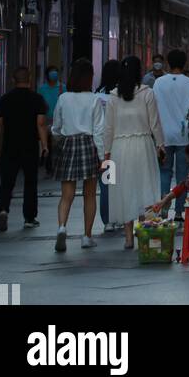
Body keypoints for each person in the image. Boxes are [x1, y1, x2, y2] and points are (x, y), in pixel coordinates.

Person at [103, 54, 166, 249]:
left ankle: (128, 237)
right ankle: (144, 232)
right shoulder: (147, 93)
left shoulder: (113, 96)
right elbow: (154, 123)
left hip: (119, 149)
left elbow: (108, 128)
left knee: (124, 190)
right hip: (143, 146)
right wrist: (160, 145)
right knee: (145, 187)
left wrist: (106, 153)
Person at [51, 57, 104, 252]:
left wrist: (60, 141)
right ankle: (87, 236)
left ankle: (61, 227)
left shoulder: (63, 98)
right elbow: (99, 131)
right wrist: (102, 157)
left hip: (68, 145)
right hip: (88, 145)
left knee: (67, 195)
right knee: (89, 195)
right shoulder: (94, 99)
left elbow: (56, 128)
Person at [0, 65, 49, 232]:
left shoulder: (5, 99)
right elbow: (41, 124)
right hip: (30, 147)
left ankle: (3, 210)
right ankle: (29, 218)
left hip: (9, 146)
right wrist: (44, 145)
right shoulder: (37, 99)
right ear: (30, 79)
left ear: (13, 80)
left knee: (6, 182)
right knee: (30, 182)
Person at [153, 48, 189, 222]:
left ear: (168, 62)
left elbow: (153, 107)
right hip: (183, 134)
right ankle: (178, 212)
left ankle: (162, 210)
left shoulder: (159, 82)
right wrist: (188, 117)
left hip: (163, 135)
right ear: (184, 64)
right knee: (183, 174)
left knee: (164, 172)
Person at [95, 60, 120, 232]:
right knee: (120, 184)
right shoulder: (120, 96)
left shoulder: (97, 95)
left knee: (106, 184)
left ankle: (108, 221)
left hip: (104, 147)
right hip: (120, 144)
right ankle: (119, 217)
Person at [40, 66, 64, 175]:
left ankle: (57, 165)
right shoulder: (42, 89)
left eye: (55, 73)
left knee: (57, 143)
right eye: (51, 73)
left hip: (59, 119)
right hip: (45, 119)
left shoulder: (62, 87)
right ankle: (49, 166)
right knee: (48, 142)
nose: (53, 75)